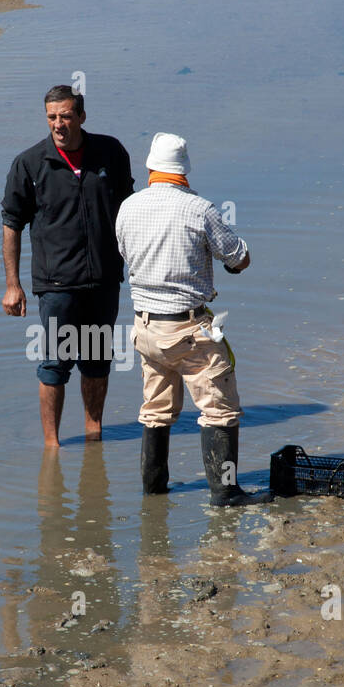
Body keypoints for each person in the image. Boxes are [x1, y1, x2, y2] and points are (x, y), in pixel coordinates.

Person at [115, 132, 272, 506]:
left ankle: (153, 493)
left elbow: (124, 252)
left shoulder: (128, 208)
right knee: (221, 409)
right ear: (184, 172)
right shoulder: (199, 209)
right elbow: (238, 256)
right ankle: (226, 492)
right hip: (188, 330)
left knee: (155, 412)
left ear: (152, 168)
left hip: (146, 328)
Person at [1, 86, 134, 447]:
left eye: (65, 116)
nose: (58, 124)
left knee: (97, 362)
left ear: (81, 116)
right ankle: (52, 447)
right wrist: (12, 284)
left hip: (104, 280)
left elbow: (130, 211)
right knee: (55, 365)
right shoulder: (30, 164)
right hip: (57, 284)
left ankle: (94, 435)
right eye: (51, 117)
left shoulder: (111, 153)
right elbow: (11, 222)